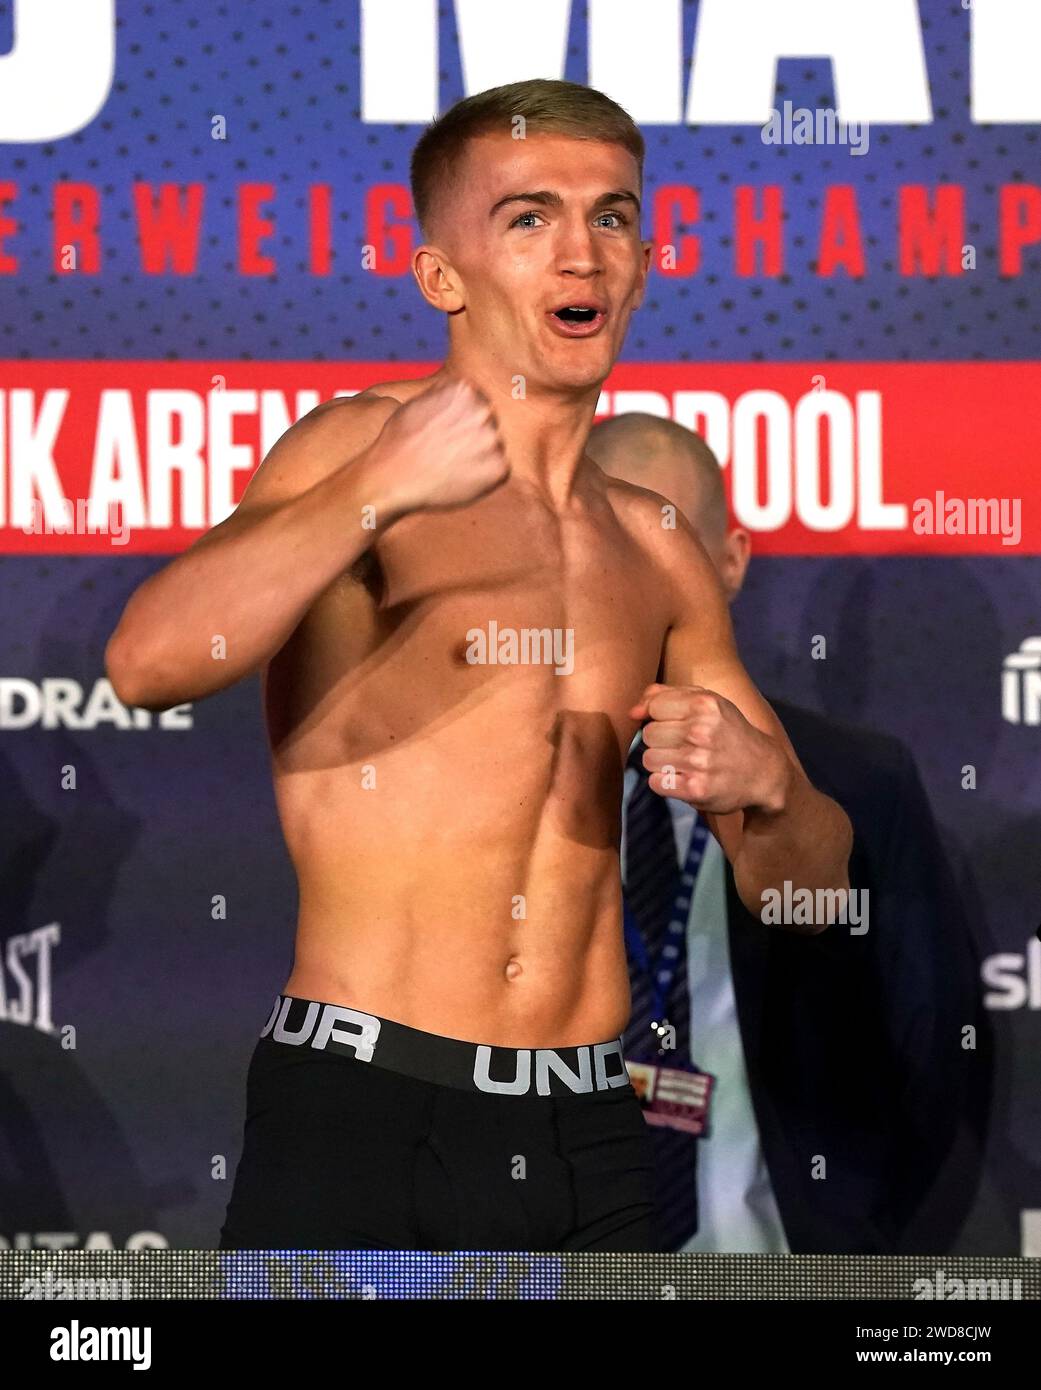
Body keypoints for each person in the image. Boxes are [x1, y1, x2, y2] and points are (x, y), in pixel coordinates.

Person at [104, 78, 852, 1253]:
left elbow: (804, 896)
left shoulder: (657, 543)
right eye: (529, 217)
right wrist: (371, 494)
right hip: (367, 1117)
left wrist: (773, 788)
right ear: (440, 277)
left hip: (594, 1134)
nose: (582, 254)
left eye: (613, 217)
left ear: (645, 263)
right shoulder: (357, 447)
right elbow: (147, 662)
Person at [587, 413, 993, 1254]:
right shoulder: (496, 781)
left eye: (666, 540)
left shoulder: (857, 780)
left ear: (730, 561)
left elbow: (936, 1061)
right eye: (600, 544)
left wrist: (865, 1268)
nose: (640, 580)